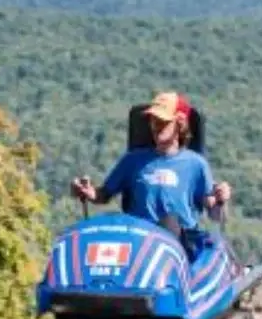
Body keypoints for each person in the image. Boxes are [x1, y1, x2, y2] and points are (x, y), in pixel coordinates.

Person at [69, 91, 232, 244]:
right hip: (139, 240)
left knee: (170, 223)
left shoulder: (196, 164)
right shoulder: (133, 160)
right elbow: (104, 195)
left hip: (180, 244)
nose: (156, 126)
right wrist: (89, 192)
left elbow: (213, 211)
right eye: (154, 120)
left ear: (179, 124)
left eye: (163, 122)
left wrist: (220, 198)